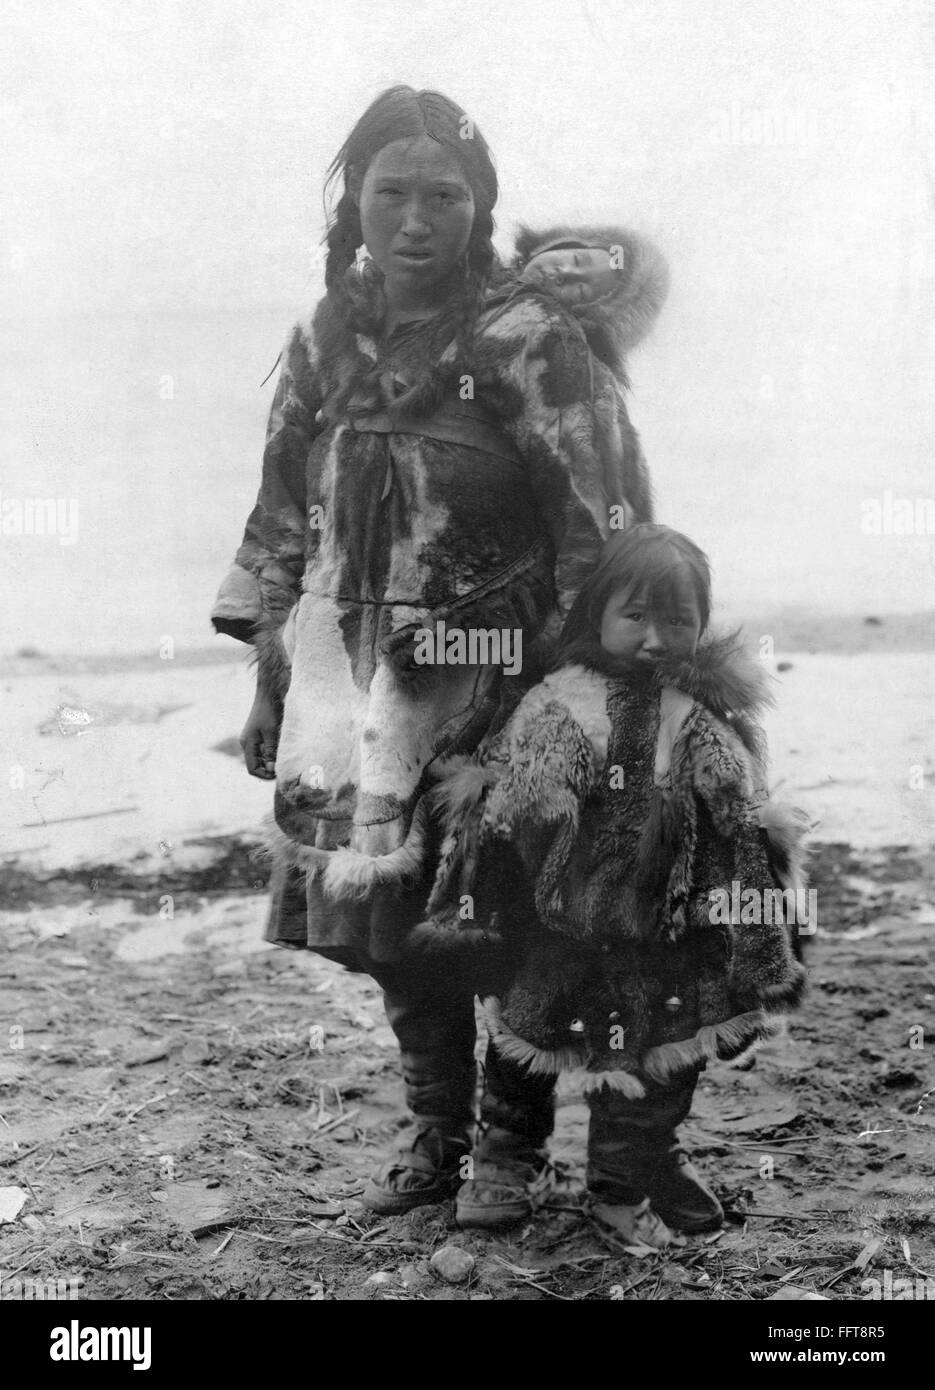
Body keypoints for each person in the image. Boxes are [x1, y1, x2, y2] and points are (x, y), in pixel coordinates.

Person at [211, 85, 668, 1230]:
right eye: (391, 193)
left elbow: (603, 528)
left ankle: (509, 1153)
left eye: (444, 197)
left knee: (507, 911)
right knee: (388, 916)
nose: (416, 220)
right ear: (352, 203)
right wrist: (269, 679)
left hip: (498, 673)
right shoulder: (323, 339)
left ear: (479, 205)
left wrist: (584, 697)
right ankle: (434, 1135)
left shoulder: (528, 336)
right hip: (347, 678)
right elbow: (280, 523)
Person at [415, 524, 809, 1246]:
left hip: (666, 933)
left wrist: (751, 917)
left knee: (661, 1064)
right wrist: (532, 805)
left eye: (678, 620)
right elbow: (518, 791)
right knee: (521, 1049)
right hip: (556, 926)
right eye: (636, 616)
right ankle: (506, 1163)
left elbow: (736, 812)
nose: (656, 638)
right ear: (596, 613)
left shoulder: (696, 713)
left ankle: (623, 1182)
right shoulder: (558, 698)